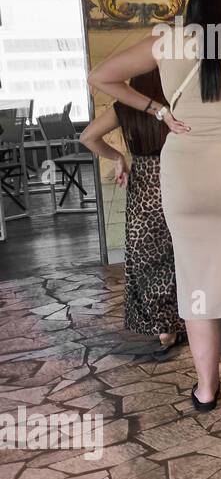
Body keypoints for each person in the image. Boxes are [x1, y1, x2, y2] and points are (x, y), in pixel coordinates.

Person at [89, 0, 221, 411]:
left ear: (194, 4)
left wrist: (158, 110)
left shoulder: (168, 42)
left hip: (188, 180)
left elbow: (101, 76)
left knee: (196, 279)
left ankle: (205, 388)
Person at [78, 68, 185, 352]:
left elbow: (88, 137)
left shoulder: (123, 106)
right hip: (178, 181)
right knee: (179, 256)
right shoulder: (175, 105)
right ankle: (184, 319)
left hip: (143, 189)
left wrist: (118, 157)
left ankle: (163, 328)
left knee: (146, 259)